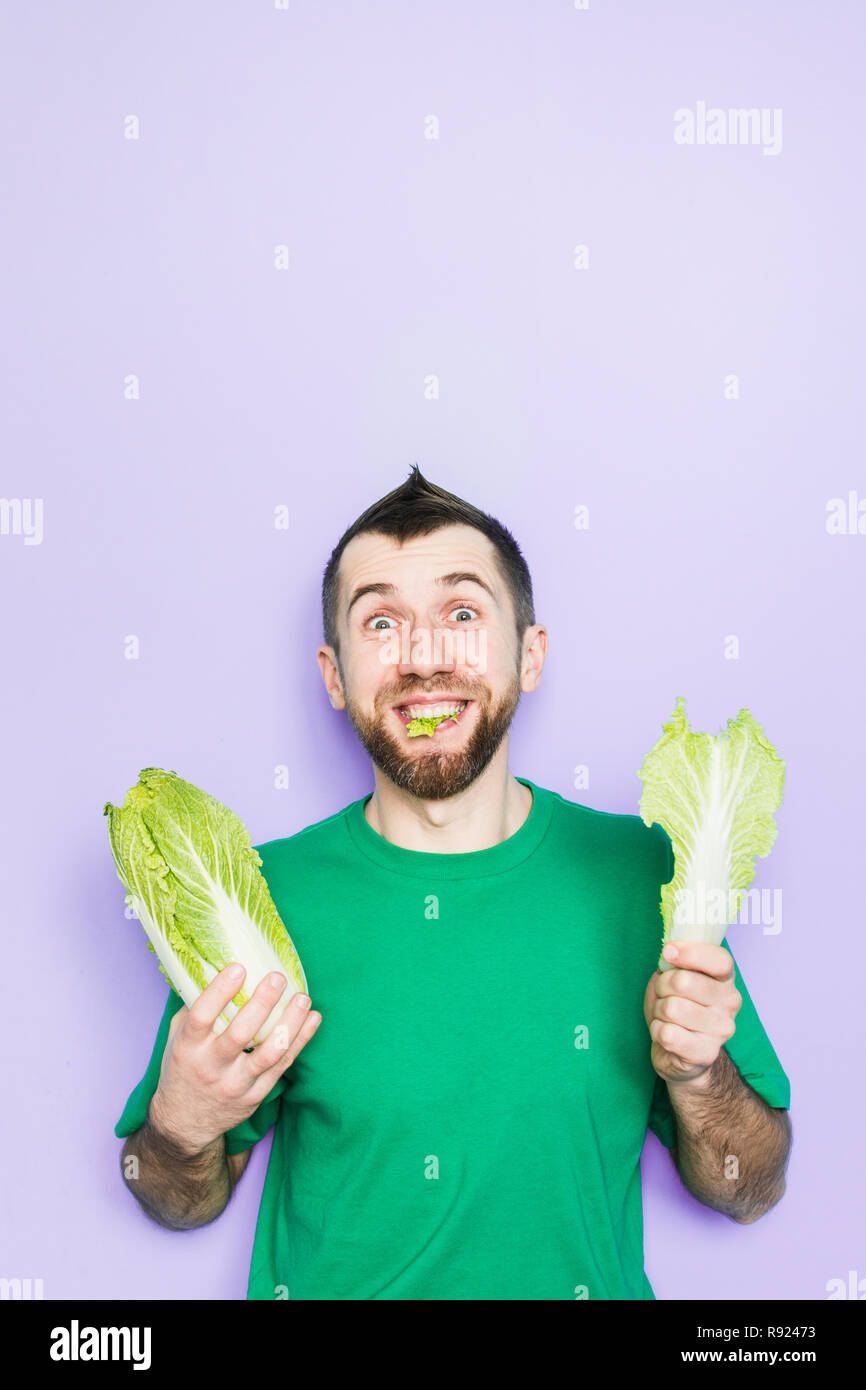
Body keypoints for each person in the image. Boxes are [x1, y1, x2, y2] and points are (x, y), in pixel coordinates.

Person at [115, 465, 792, 1300]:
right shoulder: (260, 896)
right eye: (382, 622)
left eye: (462, 613)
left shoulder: (648, 877)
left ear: (529, 654)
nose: (424, 655)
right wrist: (179, 1128)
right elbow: (175, 1200)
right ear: (333, 675)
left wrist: (699, 1078)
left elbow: (750, 1188)